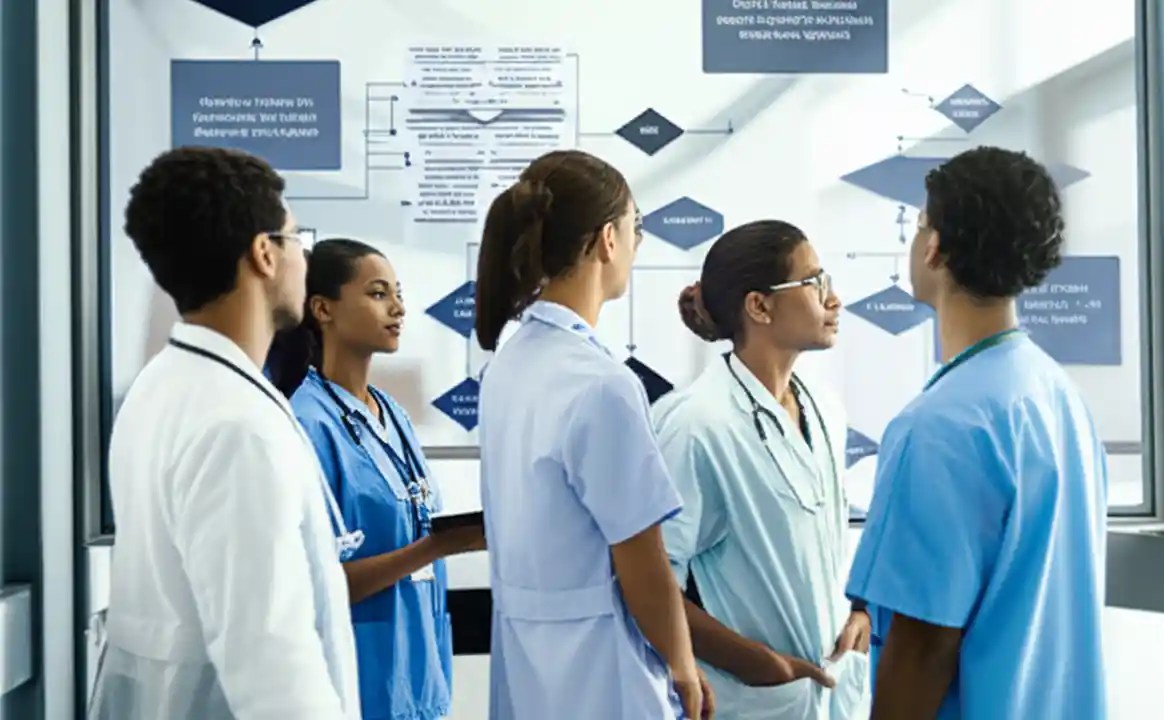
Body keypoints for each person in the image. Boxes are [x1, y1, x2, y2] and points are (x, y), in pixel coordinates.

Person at [90, 146, 360, 719]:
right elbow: (273, 666)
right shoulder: (238, 427)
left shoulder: (160, 386)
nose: (303, 259)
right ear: (264, 253)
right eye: (295, 240)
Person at [845, 146, 1109, 719]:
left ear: (934, 246)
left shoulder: (938, 428)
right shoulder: (1058, 397)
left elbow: (920, 651)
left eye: (920, 225)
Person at [473, 149, 713, 720]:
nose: (637, 243)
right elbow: (642, 558)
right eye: (636, 227)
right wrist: (681, 663)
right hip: (604, 673)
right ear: (608, 238)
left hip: (530, 666)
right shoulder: (602, 383)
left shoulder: (508, 364)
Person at [652, 220, 871, 719]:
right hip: (755, 700)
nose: (833, 300)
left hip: (836, 691)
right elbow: (651, 580)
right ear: (760, 306)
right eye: (814, 284)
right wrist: (759, 664)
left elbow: (824, 543)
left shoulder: (825, 407)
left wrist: (859, 609)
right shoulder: (694, 423)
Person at [266, 238, 485, 720]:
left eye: (398, 294)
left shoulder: (393, 416)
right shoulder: (307, 422)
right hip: (356, 688)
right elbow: (315, 585)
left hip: (419, 680)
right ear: (322, 308)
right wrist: (435, 547)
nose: (399, 308)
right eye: (379, 294)